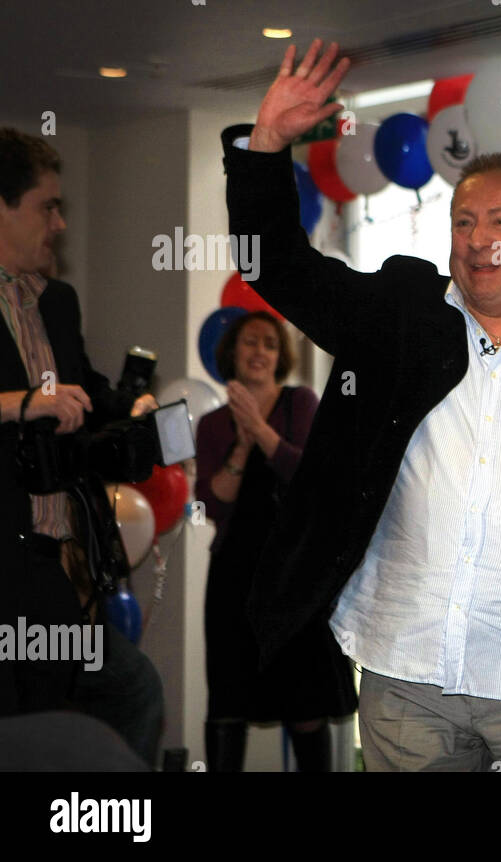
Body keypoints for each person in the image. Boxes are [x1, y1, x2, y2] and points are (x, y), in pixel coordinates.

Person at [222, 40, 501, 771]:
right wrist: (265, 149)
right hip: (404, 666)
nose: (478, 240)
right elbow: (278, 268)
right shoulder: (399, 314)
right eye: (463, 221)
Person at [0, 127, 163, 765]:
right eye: (47, 206)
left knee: (129, 691)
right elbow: (43, 401)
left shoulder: (55, 301)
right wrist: (24, 404)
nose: (61, 223)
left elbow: (86, 392)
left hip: (55, 565)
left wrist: (135, 409)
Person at [194, 310, 353, 771]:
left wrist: (261, 431)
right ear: (232, 353)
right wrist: (241, 444)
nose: (259, 351)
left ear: (280, 355)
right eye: (249, 342)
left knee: (303, 700)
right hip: (233, 580)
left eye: (268, 343)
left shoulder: (299, 402)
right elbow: (211, 502)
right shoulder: (211, 425)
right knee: (227, 698)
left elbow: (311, 479)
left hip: (293, 579)